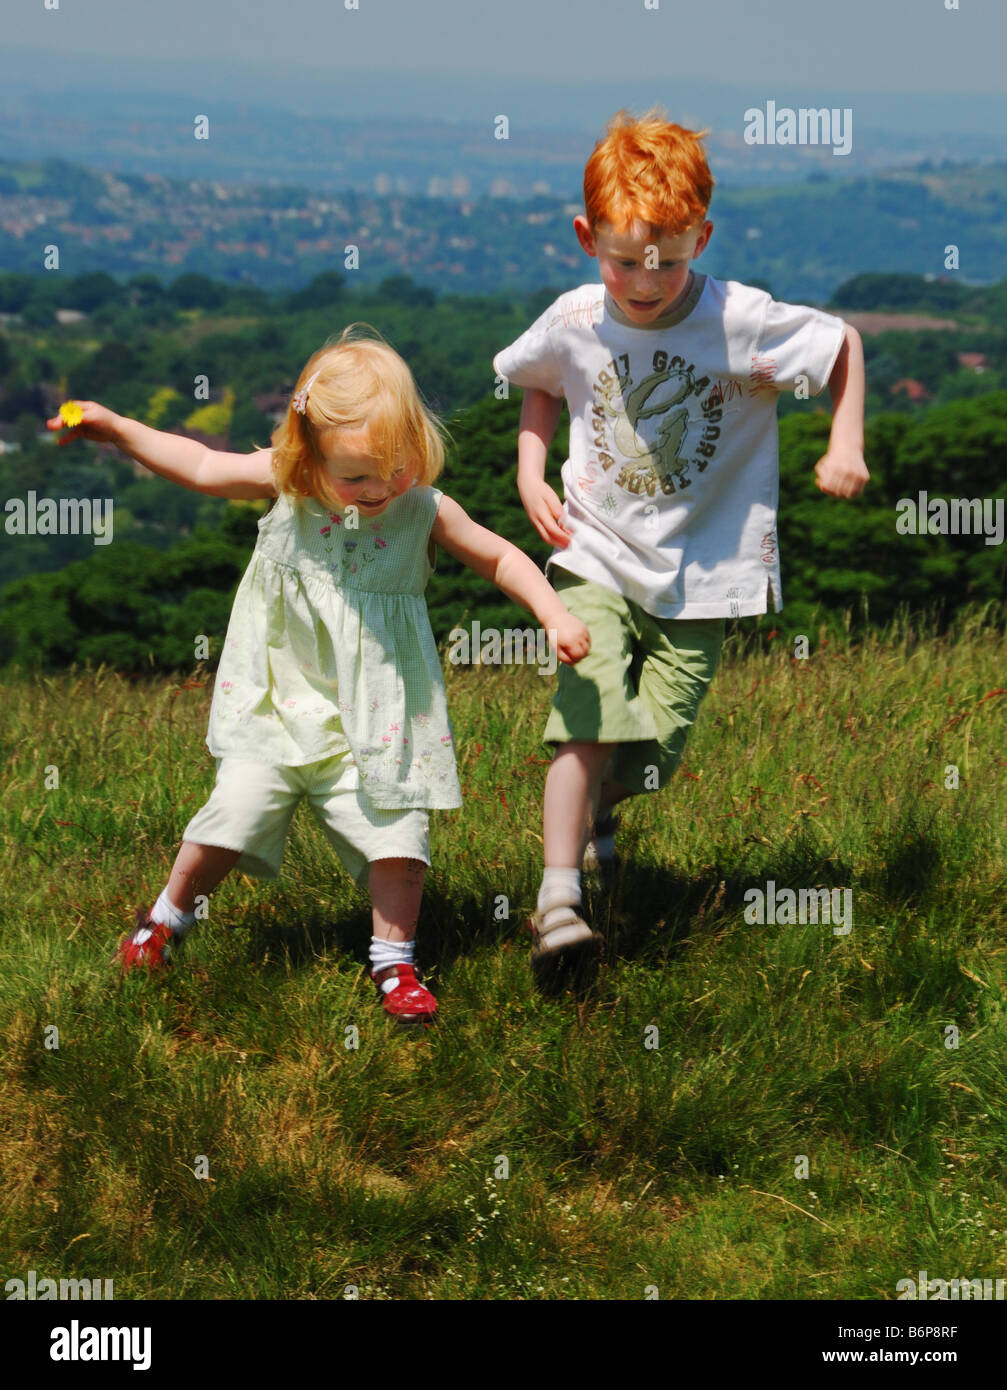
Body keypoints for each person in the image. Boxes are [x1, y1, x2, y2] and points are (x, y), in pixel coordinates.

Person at [48, 324, 589, 1022]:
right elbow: (202, 465)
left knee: (398, 837)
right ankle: (164, 922)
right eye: (356, 476)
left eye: (395, 467)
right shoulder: (289, 484)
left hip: (381, 714)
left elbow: (500, 558)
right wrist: (119, 429)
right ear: (310, 457)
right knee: (230, 815)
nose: (378, 489)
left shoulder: (420, 508)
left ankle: (394, 964)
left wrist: (552, 613)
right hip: (277, 702)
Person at [492, 108, 869, 970]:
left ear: (701, 235)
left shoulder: (738, 318)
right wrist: (527, 471)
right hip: (590, 548)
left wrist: (843, 440)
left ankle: (601, 813)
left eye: (665, 260)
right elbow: (540, 382)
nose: (644, 280)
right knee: (585, 714)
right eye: (624, 260)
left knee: (650, 754)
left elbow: (841, 342)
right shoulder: (578, 316)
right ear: (588, 238)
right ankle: (557, 904)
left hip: (704, 573)